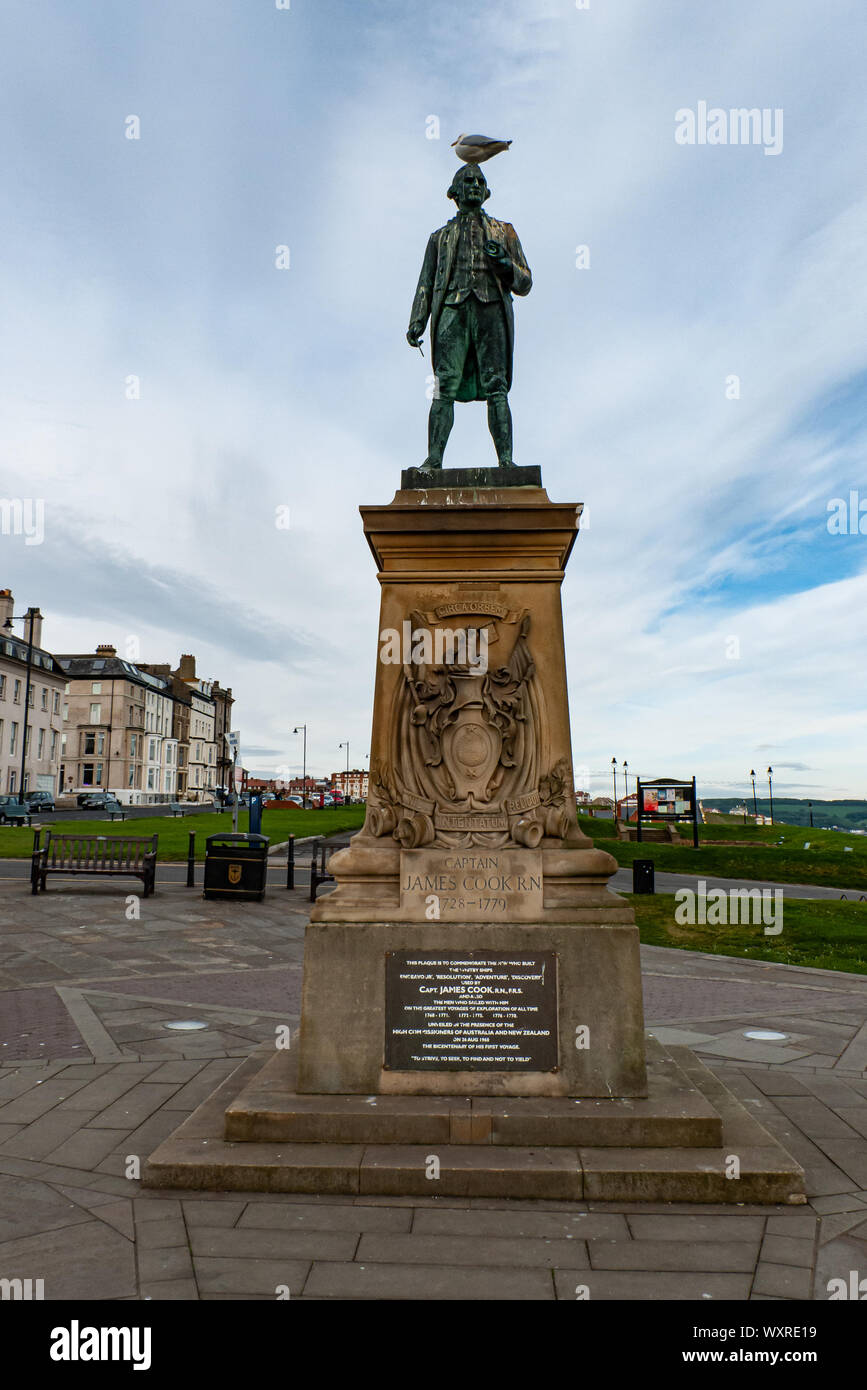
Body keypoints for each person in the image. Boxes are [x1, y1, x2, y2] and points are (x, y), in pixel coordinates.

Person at [407, 163, 532, 469]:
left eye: (480, 181)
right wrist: (417, 320)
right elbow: (425, 282)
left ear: (486, 191)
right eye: (468, 181)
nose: (475, 185)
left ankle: (506, 463)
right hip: (453, 308)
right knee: (443, 385)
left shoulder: (504, 232)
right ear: (455, 192)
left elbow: (525, 281)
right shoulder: (440, 238)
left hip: (491, 309)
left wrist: (504, 263)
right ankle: (433, 460)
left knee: (497, 386)